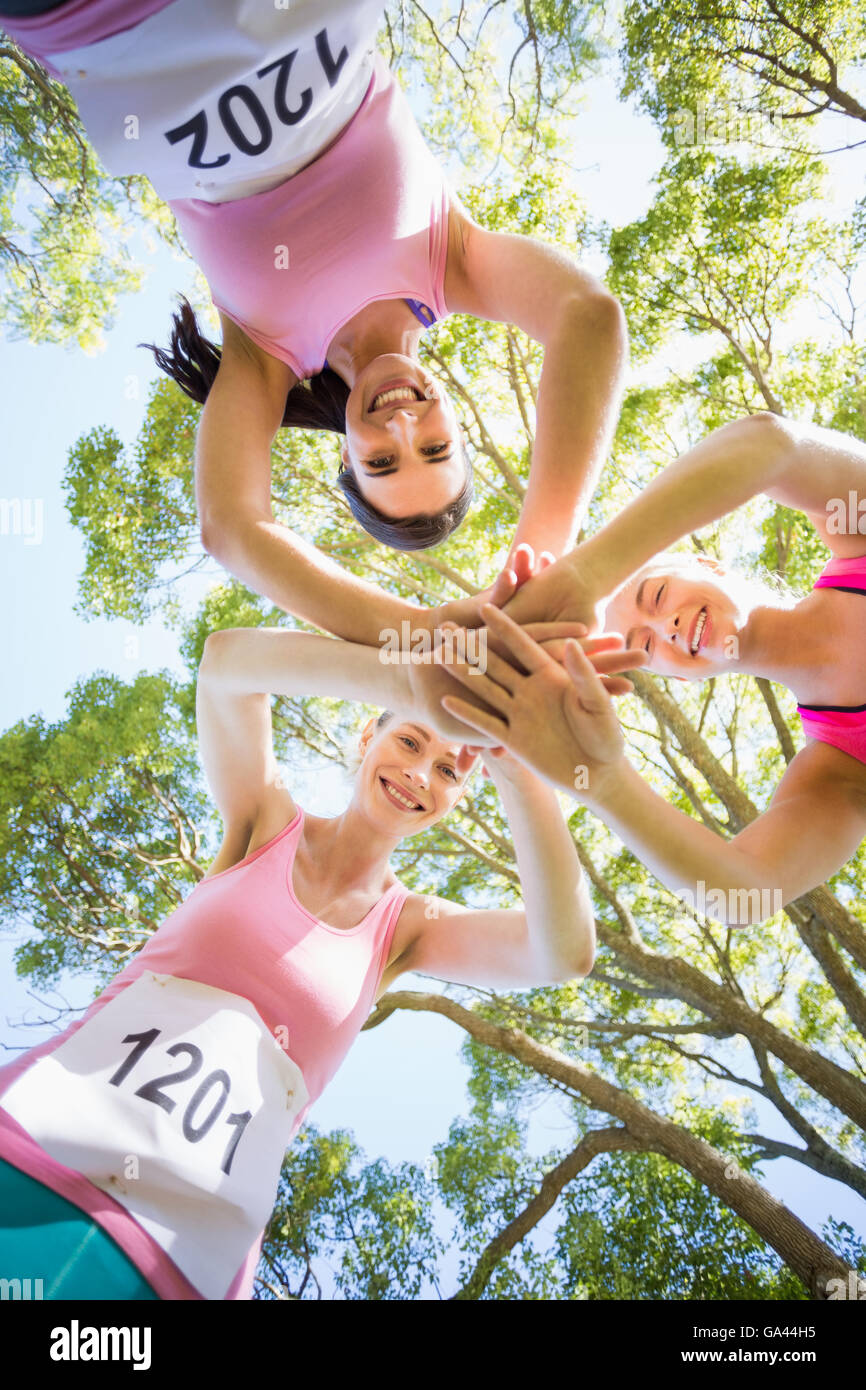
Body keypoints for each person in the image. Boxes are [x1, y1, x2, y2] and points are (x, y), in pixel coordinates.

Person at [0, 612, 641, 1299]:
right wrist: (409, 672)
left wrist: (517, 760)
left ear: (459, 797)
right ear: (367, 735)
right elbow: (224, 666)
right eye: (409, 738)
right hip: (39, 1141)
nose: (421, 772)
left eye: (451, 769)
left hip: (180, 1250)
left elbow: (564, 953)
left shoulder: (408, 929)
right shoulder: (265, 821)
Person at [2, 0, 627, 640]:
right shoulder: (452, 264)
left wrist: (421, 637)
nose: (404, 427)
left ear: (349, 459)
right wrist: (541, 567)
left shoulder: (265, 356)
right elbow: (590, 317)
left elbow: (232, 527)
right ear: (462, 427)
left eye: (382, 462)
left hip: (97, 26)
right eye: (437, 449)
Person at [442, 414, 866, 922]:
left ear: (709, 565)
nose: (665, 627)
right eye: (644, 644)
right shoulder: (840, 770)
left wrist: (587, 574)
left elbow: (772, 444)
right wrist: (602, 779)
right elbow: (741, 896)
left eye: (657, 595)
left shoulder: (856, 531)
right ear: (683, 680)